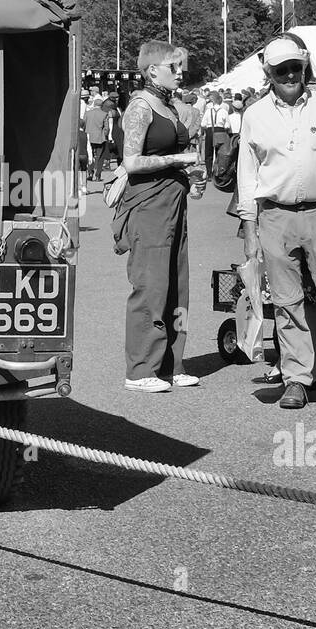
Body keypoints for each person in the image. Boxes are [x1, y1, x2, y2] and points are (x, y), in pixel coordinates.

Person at [237, 33, 316, 410]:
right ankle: (297, 378)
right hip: (275, 216)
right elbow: (247, 176)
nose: (290, 75)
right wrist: (250, 230)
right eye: (282, 70)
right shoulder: (254, 115)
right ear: (270, 74)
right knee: (286, 303)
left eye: (296, 67)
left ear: (304, 66)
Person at [111, 41, 202, 392]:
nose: (180, 72)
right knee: (150, 286)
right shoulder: (139, 107)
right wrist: (178, 161)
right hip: (148, 205)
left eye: (180, 67)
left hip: (173, 202)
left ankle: (172, 364)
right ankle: (140, 370)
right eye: (173, 67)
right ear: (152, 70)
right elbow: (131, 162)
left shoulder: (169, 105)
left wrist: (192, 176)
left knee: (178, 286)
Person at [84, 96, 110, 183]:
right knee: (100, 157)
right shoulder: (104, 114)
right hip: (99, 137)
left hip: (88, 136)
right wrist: (105, 135)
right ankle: (98, 175)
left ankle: (90, 173)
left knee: (89, 155)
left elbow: (84, 124)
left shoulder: (87, 113)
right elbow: (106, 128)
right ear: (101, 105)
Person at [200, 91, 229, 171]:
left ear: (213, 101)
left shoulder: (208, 111)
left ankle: (209, 173)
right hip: (220, 131)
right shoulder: (224, 111)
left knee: (208, 153)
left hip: (210, 131)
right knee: (219, 153)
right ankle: (218, 171)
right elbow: (227, 125)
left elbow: (203, 124)